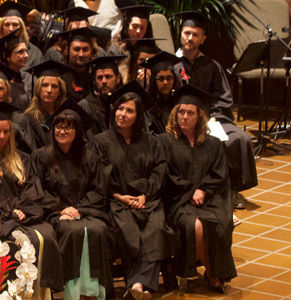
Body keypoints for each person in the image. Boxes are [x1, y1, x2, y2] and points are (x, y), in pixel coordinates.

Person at [0, 102, 63, 292]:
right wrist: (9, 212)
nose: (2, 137)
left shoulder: (21, 158)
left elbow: (32, 188)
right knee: (18, 242)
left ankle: (39, 293)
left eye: (6, 132)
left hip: (24, 215)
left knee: (47, 236)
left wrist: (22, 210)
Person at [23, 100, 114, 297]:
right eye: (58, 126)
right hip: (55, 213)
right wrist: (61, 208)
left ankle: (95, 291)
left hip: (87, 211)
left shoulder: (90, 157)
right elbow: (37, 190)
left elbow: (97, 190)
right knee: (71, 231)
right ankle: (70, 291)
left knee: (98, 229)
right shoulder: (41, 156)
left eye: (68, 127)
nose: (62, 131)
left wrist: (80, 210)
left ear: (78, 131)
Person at [89, 85, 169, 300]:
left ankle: (136, 285)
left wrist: (146, 196)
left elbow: (159, 171)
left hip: (148, 200)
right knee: (128, 232)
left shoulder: (153, 141)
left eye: (129, 110)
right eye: (120, 109)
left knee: (155, 230)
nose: (122, 114)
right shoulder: (101, 141)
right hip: (117, 201)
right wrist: (118, 196)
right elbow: (97, 176)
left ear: (139, 115)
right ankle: (139, 285)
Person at [173, 11, 259, 208]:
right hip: (181, 121)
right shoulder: (172, 64)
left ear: (203, 39)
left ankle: (232, 191)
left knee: (239, 138)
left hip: (211, 120)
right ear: (180, 34)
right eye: (187, 33)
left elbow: (224, 99)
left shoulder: (212, 66)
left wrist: (213, 119)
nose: (190, 38)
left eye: (195, 35)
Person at [161, 86, 235, 292]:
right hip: (178, 200)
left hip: (209, 199)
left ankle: (213, 273)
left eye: (190, 113)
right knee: (195, 226)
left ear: (199, 116)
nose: (184, 117)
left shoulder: (213, 144)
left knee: (218, 223)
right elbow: (166, 173)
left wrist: (203, 190)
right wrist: (189, 190)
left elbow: (219, 174)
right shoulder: (165, 141)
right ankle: (213, 273)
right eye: (181, 112)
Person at [17, 61, 77, 154]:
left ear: (60, 91)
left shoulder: (67, 116)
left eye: (54, 86)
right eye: (44, 85)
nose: (49, 90)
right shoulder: (27, 120)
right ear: (37, 88)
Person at [78, 55, 125, 132]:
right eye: (100, 77)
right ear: (95, 80)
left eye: (108, 77)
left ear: (118, 78)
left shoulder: (125, 101)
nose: (104, 81)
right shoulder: (86, 106)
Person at [0, 1, 43, 69]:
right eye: (7, 25)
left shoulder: (35, 53)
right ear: (1, 28)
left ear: (21, 27)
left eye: (15, 25)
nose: (11, 29)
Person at [0, 31, 35, 109]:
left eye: (26, 51)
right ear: (6, 55)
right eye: (20, 52)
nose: (26, 55)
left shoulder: (30, 79)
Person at [142, 53, 180, 134]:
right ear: (154, 81)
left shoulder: (180, 103)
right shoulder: (147, 107)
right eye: (160, 78)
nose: (165, 82)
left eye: (169, 78)